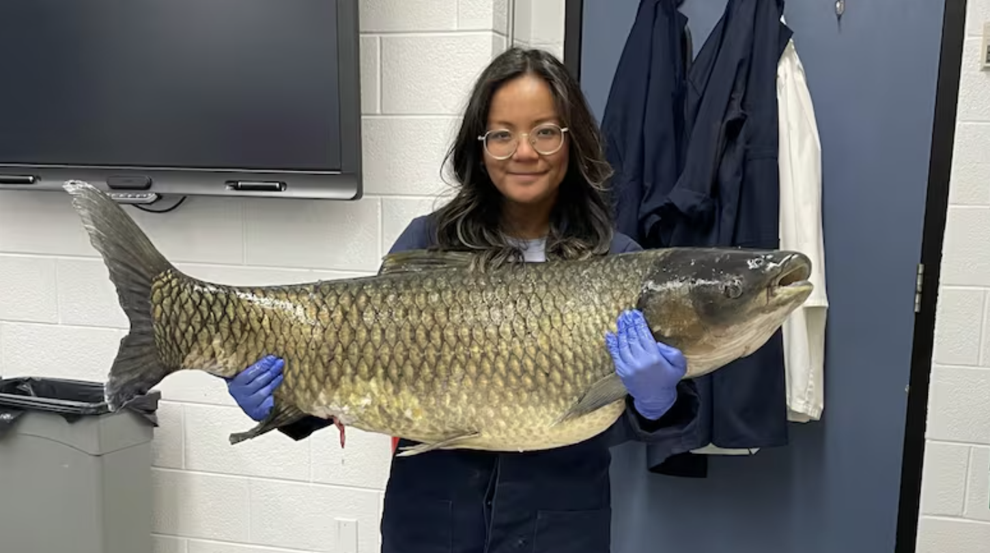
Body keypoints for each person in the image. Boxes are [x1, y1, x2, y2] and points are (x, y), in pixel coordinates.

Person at [223, 47, 700, 553]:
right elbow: (363, 372)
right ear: (479, 146)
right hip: (430, 523)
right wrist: (281, 401)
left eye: (544, 131)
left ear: (572, 141)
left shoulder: (619, 262)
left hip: (560, 526)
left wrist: (658, 400)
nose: (523, 151)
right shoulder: (426, 243)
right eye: (501, 134)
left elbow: (648, 415)